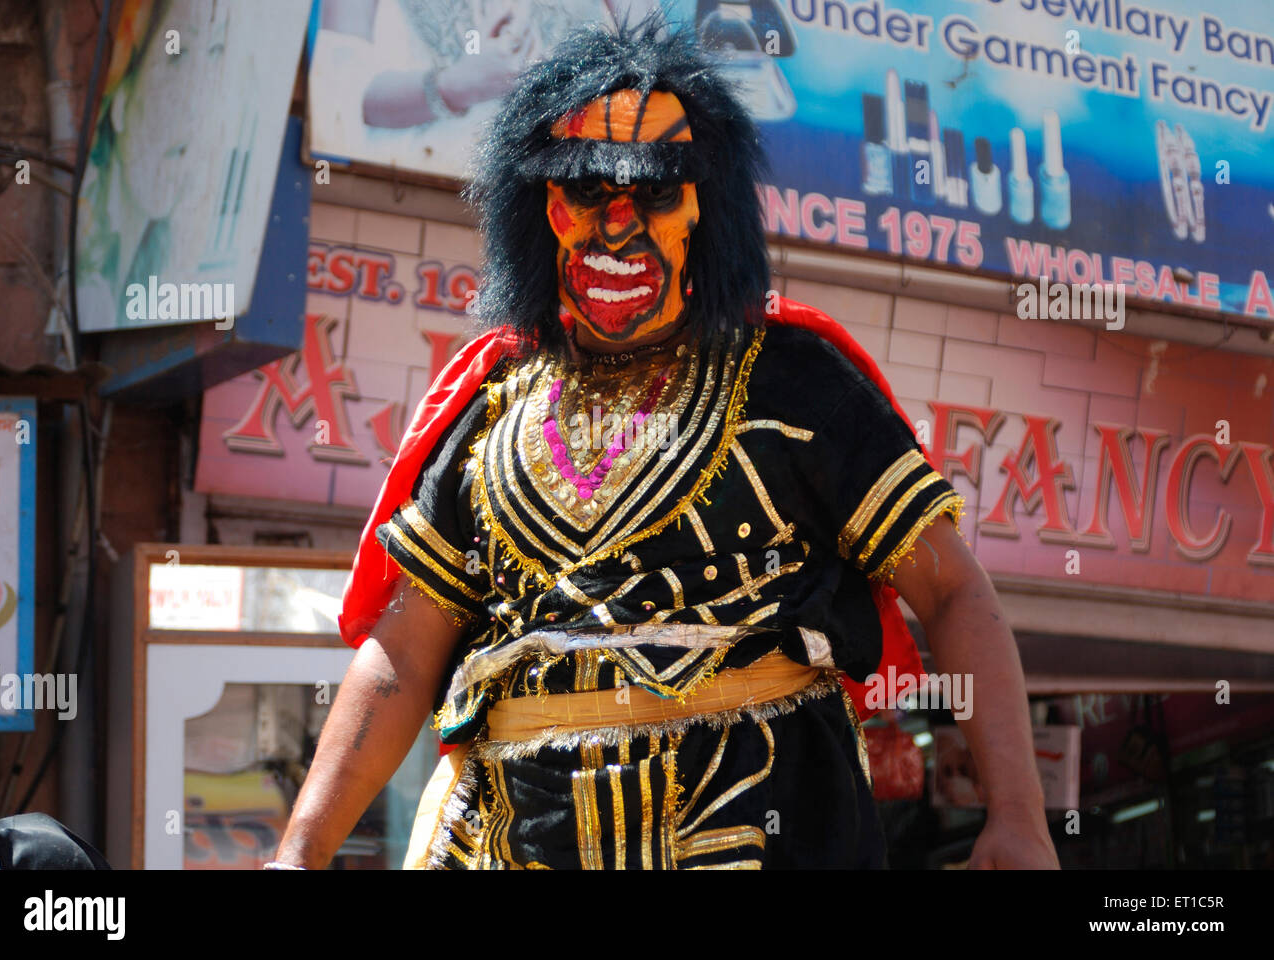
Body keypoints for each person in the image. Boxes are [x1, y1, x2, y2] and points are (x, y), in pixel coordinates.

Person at [274, 16, 1059, 870]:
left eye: (654, 194)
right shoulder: (487, 414)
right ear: (538, 212)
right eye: (585, 193)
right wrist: (300, 853)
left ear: (706, 213)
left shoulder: (794, 384)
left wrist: (1018, 817)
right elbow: (404, 651)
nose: (618, 226)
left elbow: (950, 593)